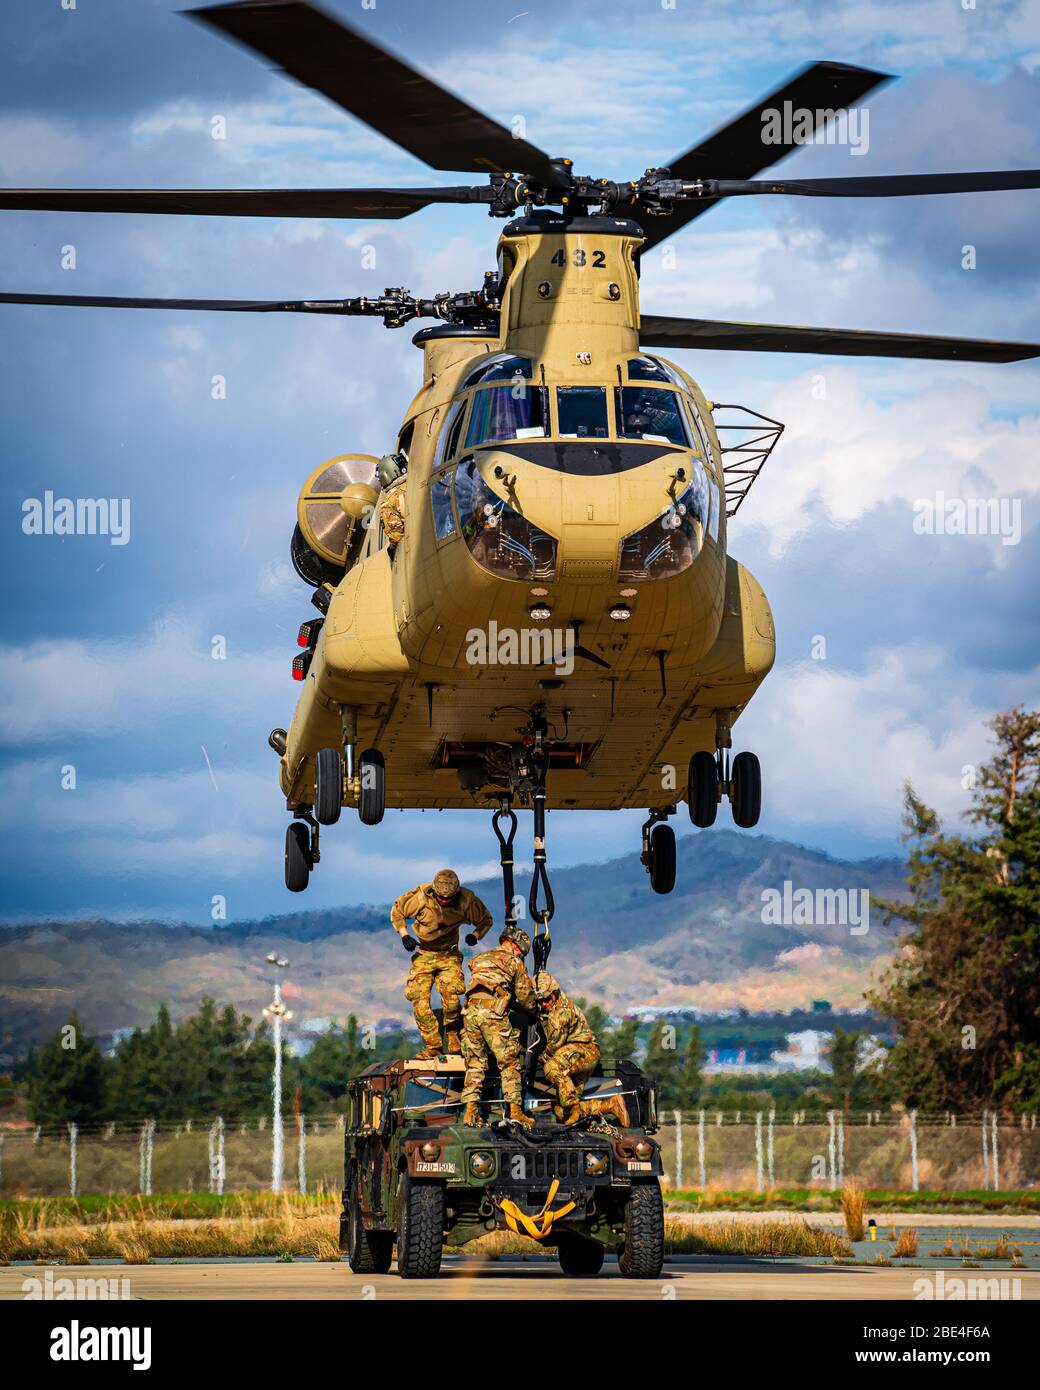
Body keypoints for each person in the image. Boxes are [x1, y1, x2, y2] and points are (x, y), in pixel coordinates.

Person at [391, 869, 493, 1058]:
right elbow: (397, 912)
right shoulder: (421, 896)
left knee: (452, 999)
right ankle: (433, 1046)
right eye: (441, 899)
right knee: (419, 1000)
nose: (445, 902)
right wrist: (405, 935)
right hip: (424, 953)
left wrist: (475, 935)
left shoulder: (466, 900)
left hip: (449, 955)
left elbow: (486, 920)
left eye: (449, 899)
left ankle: (453, 1033)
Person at [460, 924, 537, 1129]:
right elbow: (526, 997)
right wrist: (534, 1012)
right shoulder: (513, 961)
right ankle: (516, 1111)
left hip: (469, 1013)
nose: (520, 955)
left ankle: (470, 1111)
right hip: (492, 1013)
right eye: (521, 951)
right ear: (513, 945)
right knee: (509, 1061)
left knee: (475, 1062)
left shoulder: (481, 957)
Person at [535, 972, 629, 1126]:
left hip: (584, 1051)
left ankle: (575, 1107)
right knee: (561, 1113)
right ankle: (611, 1105)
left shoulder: (561, 1013)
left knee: (552, 1067)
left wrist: (540, 1057)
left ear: (555, 993)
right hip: (572, 1056)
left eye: (547, 999)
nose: (544, 1004)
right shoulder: (550, 1009)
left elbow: (554, 1046)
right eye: (540, 1001)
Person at [377, 453, 407, 550]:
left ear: (385, 476)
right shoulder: (419, 480)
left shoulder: (388, 503)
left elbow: (396, 538)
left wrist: (392, 548)